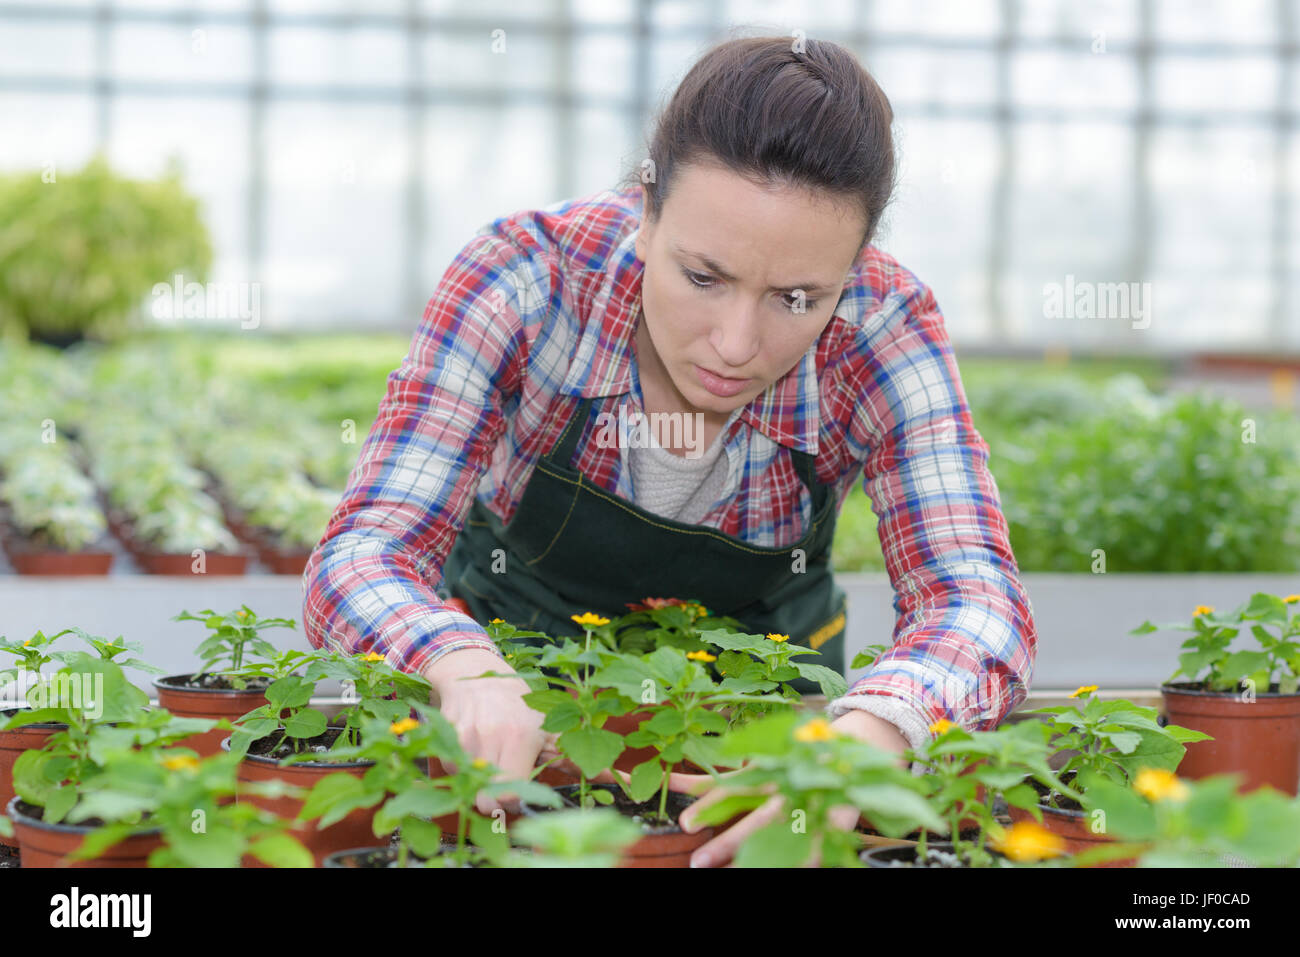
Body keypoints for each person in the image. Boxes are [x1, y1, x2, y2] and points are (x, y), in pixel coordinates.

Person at [302, 33, 1036, 867]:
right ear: (646, 214)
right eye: (703, 277)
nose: (735, 344)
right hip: (521, 707)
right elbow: (362, 553)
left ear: (853, 268)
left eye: (798, 297)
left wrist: (871, 729)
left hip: (765, 725)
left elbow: (978, 600)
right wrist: (458, 660)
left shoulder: (884, 329)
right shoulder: (525, 280)